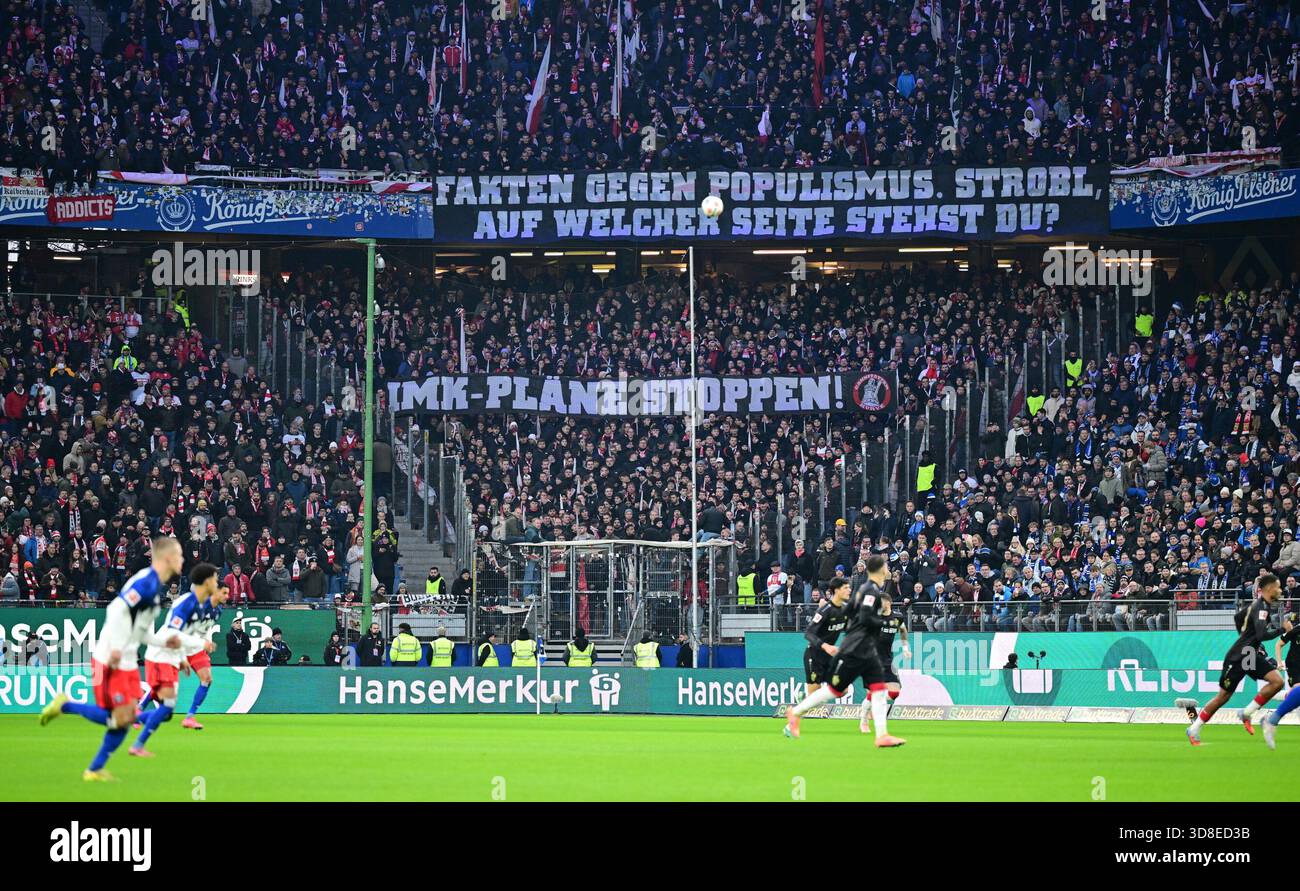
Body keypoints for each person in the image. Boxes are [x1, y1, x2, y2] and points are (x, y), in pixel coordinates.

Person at [39, 536, 185, 781]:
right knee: (118, 718)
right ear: (168, 558)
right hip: (110, 657)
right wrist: (116, 647)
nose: (182, 560)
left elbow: (139, 630)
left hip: (127, 660)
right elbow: (116, 609)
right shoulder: (146, 582)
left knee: (124, 719)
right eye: (179, 555)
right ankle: (65, 706)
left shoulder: (155, 588)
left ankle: (94, 770)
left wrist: (163, 642)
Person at [784, 555, 905, 747]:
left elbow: (854, 616)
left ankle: (882, 735)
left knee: (877, 689)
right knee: (837, 690)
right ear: (881, 569)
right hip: (857, 648)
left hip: (864, 648)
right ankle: (796, 711)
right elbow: (865, 617)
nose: (888, 570)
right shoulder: (870, 590)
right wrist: (881, 622)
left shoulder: (869, 591)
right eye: (886, 566)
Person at [1180, 574, 1290, 746]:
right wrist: (1282, 629)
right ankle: (1194, 728)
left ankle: (1246, 713)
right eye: (1278, 587)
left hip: (1248, 653)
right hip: (1238, 656)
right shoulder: (1261, 608)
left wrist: (1246, 639)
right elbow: (1261, 634)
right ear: (1269, 589)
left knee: (1277, 682)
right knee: (1223, 696)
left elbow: (1238, 617)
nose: (1280, 590)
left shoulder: (1259, 605)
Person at [130, 562, 222, 756]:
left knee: (167, 712)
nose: (217, 583)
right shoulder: (186, 603)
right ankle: (136, 740)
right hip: (160, 654)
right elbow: (173, 633)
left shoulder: (200, 606)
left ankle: (134, 723)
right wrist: (201, 643)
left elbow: (183, 635)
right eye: (215, 579)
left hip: (172, 656)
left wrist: (182, 657)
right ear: (206, 582)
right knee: (167, 707)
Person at [177, 582, 229, 730]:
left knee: (207, 679)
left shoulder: (218, 610)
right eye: (224, 593)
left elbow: (204, 629)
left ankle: (190, 717)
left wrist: (206, 641)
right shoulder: (198, 605)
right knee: (163, 685)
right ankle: (140, 708)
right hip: (180, 646)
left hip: (197, 649)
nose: (227, 596)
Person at [800, 577, 851, 698]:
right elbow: (808, 633)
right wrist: (826, 646)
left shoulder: (845, 609)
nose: (849, 590)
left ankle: (808, 699)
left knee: (843, 690)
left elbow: (849, 630)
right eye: (846, 588)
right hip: (814, 654)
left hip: (830, 656)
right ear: (836, 590)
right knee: (813, 694)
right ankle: (806, 699)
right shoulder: (825, 610)